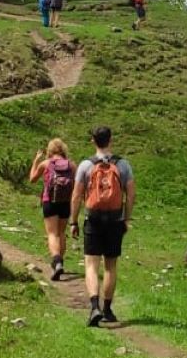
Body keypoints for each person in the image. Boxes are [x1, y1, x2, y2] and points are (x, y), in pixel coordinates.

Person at [70, 124, 135, 327]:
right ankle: (107, 309)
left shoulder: (86, 165)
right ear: (111, 140)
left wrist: (73, 221)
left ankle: (94, 307)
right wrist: (126, 219)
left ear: (93, 141)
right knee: (110, 266)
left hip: (93, 219)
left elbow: (76, 196)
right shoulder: (123, 165)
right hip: (115, 220)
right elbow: (131, 195)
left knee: (91, 264)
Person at [28, 138, 77, 281]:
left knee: (52, 233)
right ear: (63, 150)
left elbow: (32, 179)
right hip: (65, 202)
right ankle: (60, 262)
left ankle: (56, 261)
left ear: (50, 150)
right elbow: (77, 185)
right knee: (61, 233)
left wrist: (35, 161)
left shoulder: (46, 163)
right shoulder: (71, 165)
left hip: (49, 201)